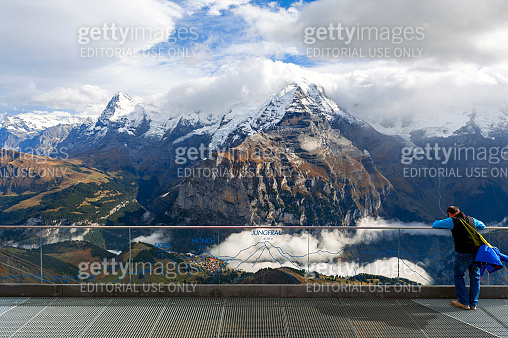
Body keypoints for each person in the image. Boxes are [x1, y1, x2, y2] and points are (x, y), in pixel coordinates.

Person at [432, 205, 486, 310]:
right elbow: (482, 226)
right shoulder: (471, 219)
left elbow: (435, 224)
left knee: (458, 275)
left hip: (463, 253)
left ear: (449, 214)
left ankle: (463, 302)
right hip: (476, 253)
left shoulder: (452, 220)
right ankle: (473, 304)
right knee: (475, 278)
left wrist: (447, 220)